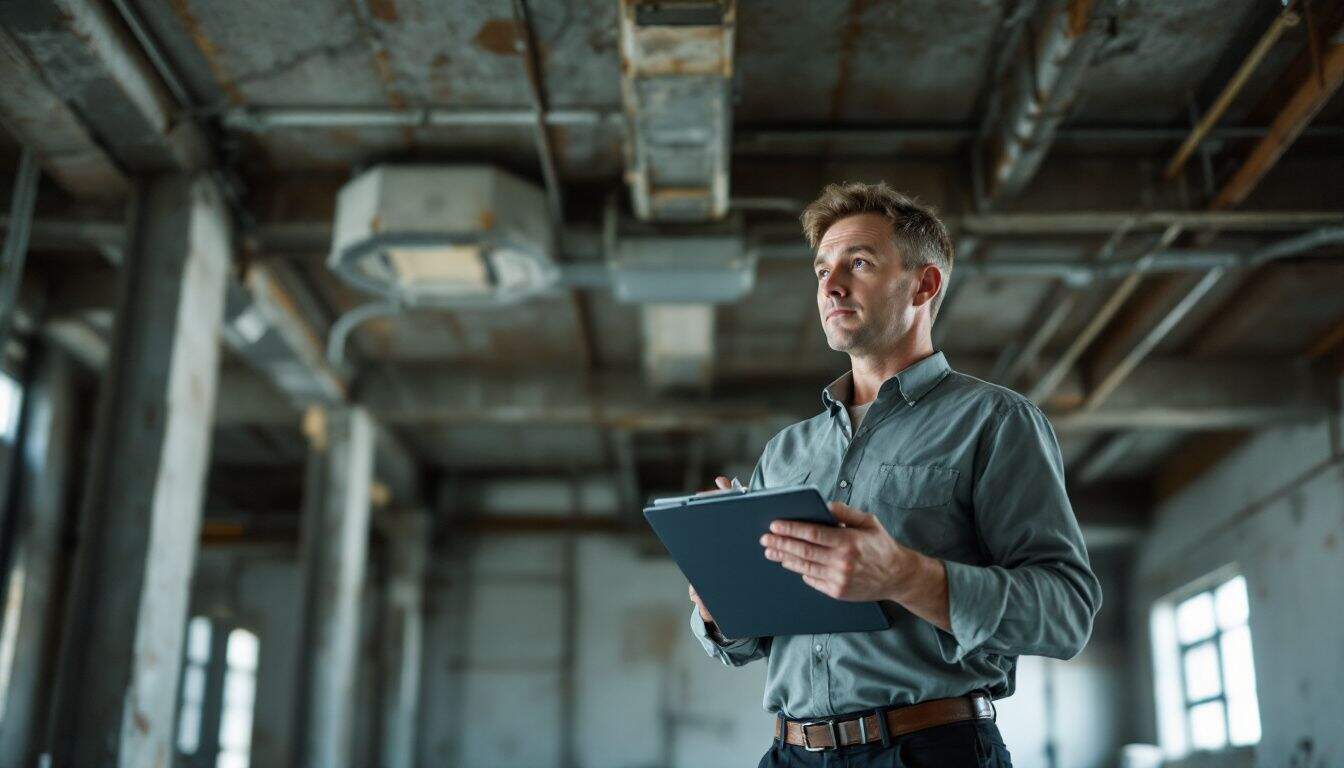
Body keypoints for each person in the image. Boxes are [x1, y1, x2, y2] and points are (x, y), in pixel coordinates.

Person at [687, 181, 1102, 767]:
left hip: (931, 751)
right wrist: (719, 602)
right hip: (789, 754)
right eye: (822, 268)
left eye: (859, 263)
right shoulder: (786, 450)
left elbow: (1066, 613)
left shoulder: (994, 421)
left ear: (924, 285)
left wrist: (907, 576)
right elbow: (749, 641)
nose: (831, 285)